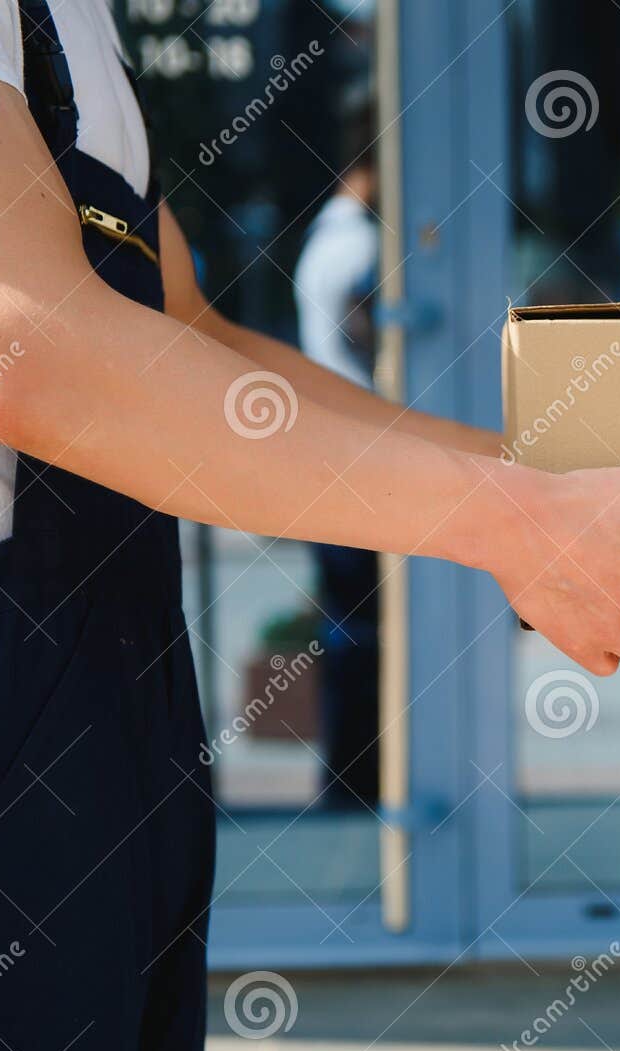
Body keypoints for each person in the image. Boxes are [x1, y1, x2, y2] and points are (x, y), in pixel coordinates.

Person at [0, 0, 620, 1051]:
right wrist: (511, 522)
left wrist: (539, 483)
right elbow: (33, 359)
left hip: (103, 697)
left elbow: (193, 338)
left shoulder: (76, 22)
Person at [294, 89, 384, 809]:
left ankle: (348, 780)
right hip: (363, 463)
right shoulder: (363, 248)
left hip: (331, 462)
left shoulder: (325, 237)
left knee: (350, 626)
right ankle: (358, 781)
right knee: (364, 631)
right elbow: (372, 346)